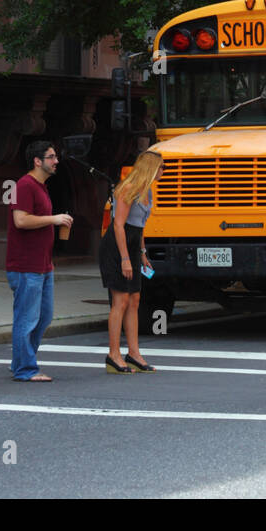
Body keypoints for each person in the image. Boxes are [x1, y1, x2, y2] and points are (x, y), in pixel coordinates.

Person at [6, 141, 72, 382]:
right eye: (51, 157)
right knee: (27, 318)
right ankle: (25, 369)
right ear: (37, 160)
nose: (56, 161)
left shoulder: (41, 187)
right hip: (25, 267)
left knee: (43, 317)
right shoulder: (24, 186)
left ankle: (20, 362)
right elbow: (21, 221)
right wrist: (53, 219)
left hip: (42, 266)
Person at [98, 150, 163, 373]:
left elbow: (140, 227)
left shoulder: (148, 192)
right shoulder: (127, 188)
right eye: (161, 168)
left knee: (135, 299)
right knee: (121, 301)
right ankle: (113, 355)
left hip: (133, 246)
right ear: (150, 168)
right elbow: (118, 225)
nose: (163, 171)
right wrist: (125, 258)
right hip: (116, 247)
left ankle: (134, 353)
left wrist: (142, 253)